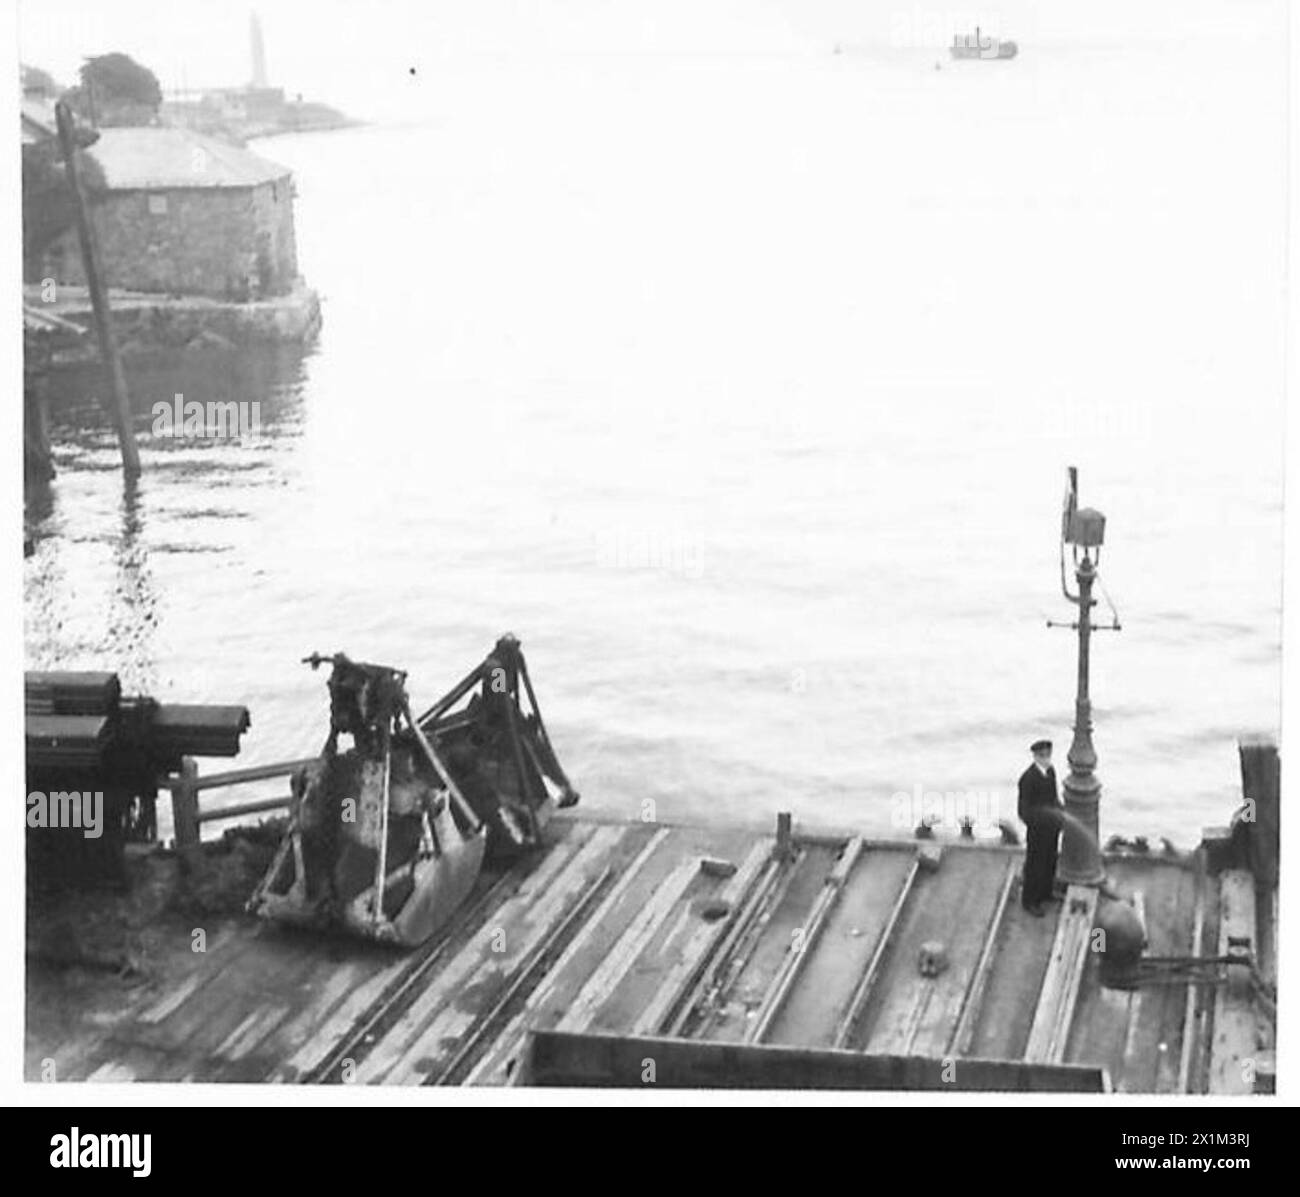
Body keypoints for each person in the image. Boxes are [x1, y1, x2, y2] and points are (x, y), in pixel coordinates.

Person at [1018, 739, 1063, 916]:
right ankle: (1030, 901)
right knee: (1034, 864)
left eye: (1048, 755)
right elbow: (1024, 810)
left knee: (1050, 860)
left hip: (1051, 827)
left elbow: (1053, 797)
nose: (1046, 759)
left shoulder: (1051, 772)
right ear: (1036, 757)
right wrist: (1039, 821)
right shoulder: (1028, 778)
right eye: (1043, 756)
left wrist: (1061, 813)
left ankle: (1046, 892)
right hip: (1037, 830)